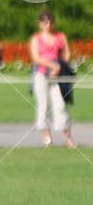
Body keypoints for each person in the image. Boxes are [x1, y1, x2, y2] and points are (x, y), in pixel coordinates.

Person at [30, 9, 75, 148]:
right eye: (44, 21)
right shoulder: (36, 38)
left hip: (58, 76)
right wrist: (51, 66)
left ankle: (67, 137)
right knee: (43, 105)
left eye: (49, 21)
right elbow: (36, 57)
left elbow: (66, 53)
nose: (47, 25)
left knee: (60, 105)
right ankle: (47, 137)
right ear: (39, 23)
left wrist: (59, 66)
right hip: (42, 74)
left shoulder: (60, 36)